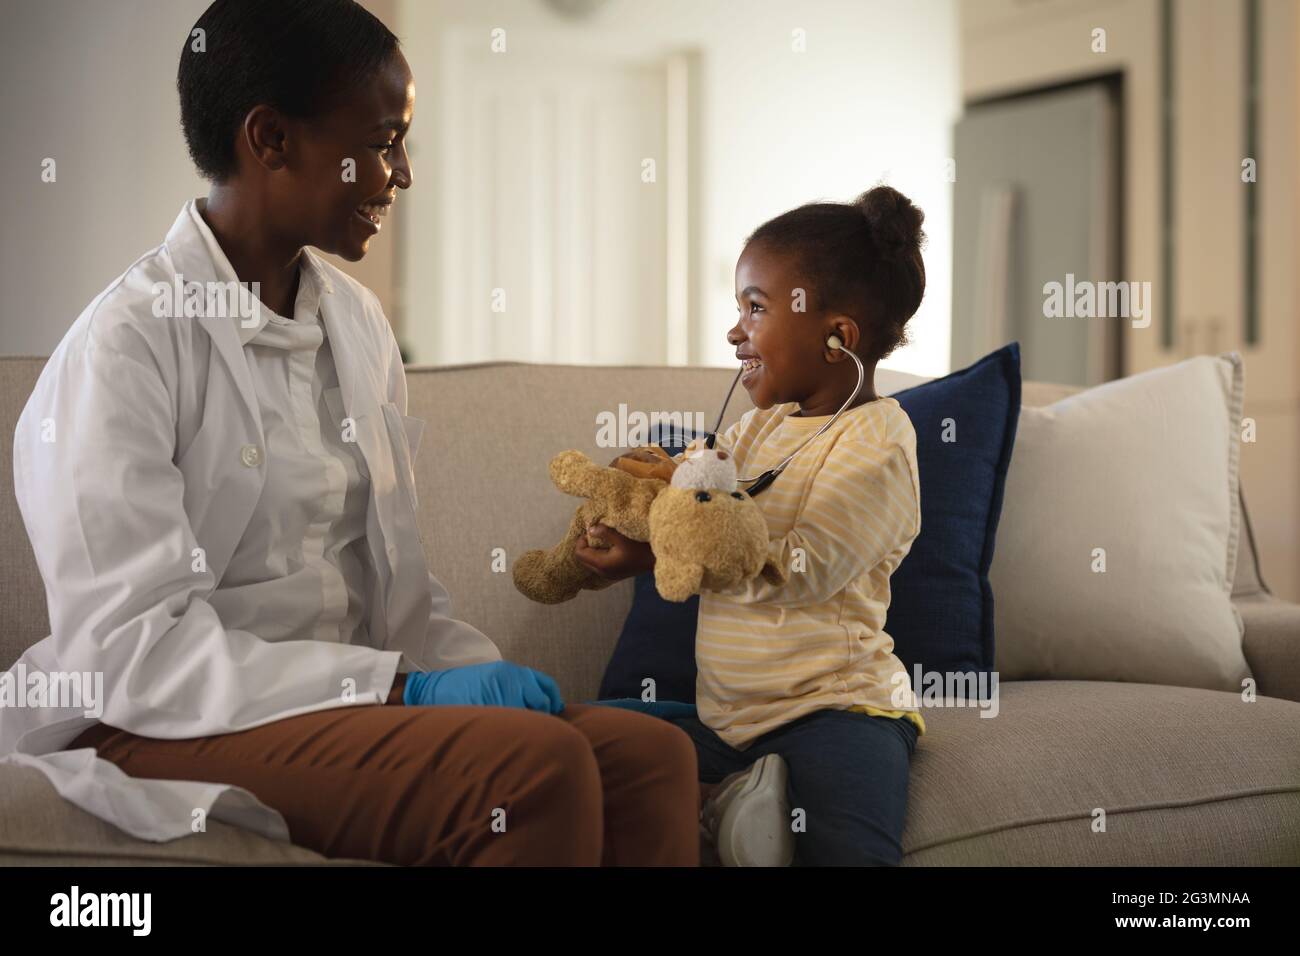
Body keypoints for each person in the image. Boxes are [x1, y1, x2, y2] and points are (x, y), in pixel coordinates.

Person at [0, 0, 699, 866]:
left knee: (650, 759)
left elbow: (396, 592)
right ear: (271, 139)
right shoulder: (128, 344)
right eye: (379, 143)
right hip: (153, 717)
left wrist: (489, 685)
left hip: (342, 705)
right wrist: (409, 689)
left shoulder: (356, 324)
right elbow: (129, 655)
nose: (401, 174)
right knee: (532, 772)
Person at [577, 186, 928, 866]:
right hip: (727, 724)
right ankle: (724, 797)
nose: (735, 331)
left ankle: (735, 802)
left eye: (755, 308)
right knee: (584, 741)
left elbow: (803, 567)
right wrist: (634, 536)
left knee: (849, 851)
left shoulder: (877, 441)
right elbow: (689, 509)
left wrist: (668, 555)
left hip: (836, 715)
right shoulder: (756, 427)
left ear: (838, 337)